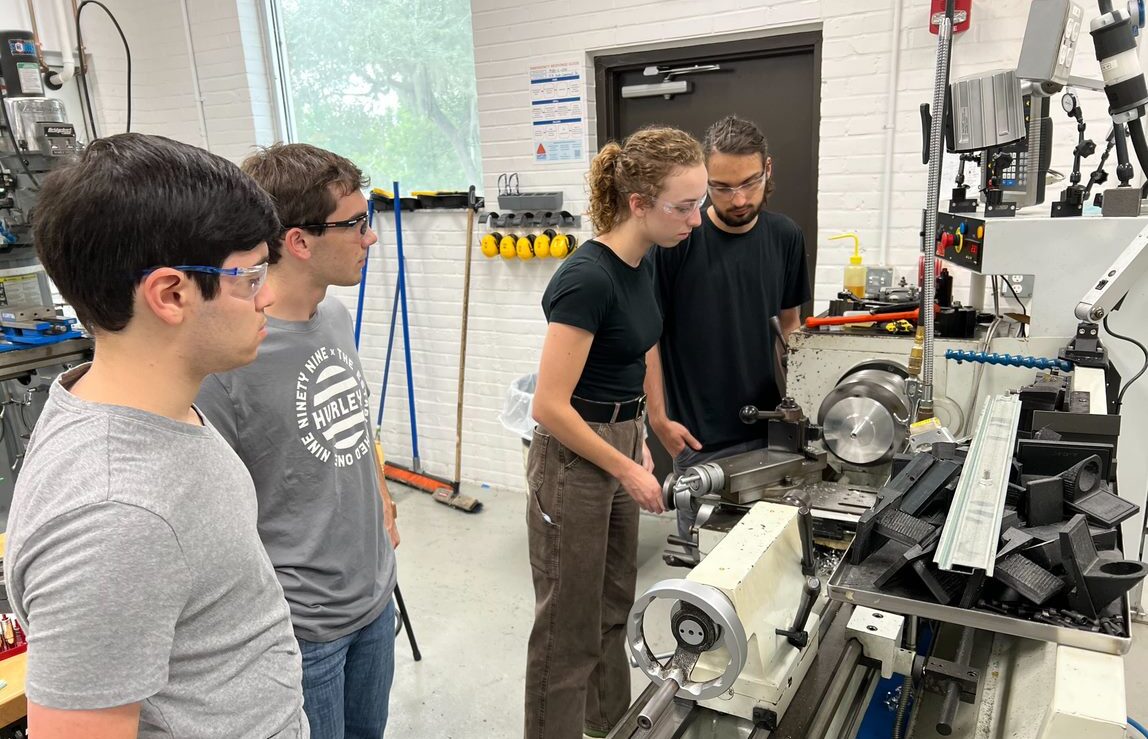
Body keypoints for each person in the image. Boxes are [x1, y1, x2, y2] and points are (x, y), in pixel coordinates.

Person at [4, 133, 308, 738]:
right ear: (171, 293)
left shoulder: (158, 411)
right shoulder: (116, 515)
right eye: (250, 277)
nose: (268, 296)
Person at [196, 143, 398, 739]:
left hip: (373, 594)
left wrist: (381, 494)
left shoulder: (333, 316)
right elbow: (217, 513)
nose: (371, 238)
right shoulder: (228, 360)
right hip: (303, 626)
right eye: (355, 224)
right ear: (300, 242)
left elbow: (354, 428)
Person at [525, 126, 707, 739]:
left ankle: (609, 726)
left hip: (623, 435)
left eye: (698, 202)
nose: (697, 219)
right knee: (566, 625)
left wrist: (654, 419)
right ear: (637, 204)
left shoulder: (642, 259)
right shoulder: (588, 278)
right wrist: (628, 466)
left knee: (611, 605)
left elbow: (646, 340)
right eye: (683, 207)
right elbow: (548, 407)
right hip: (576, 458)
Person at [645, 115, 812, 561]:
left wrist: (804, 404)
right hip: (700, 439)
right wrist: (658, 418)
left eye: (749, 184)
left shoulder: (785, 237)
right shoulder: (677, 242)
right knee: (709, 571)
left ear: (768, 170)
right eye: (721, 188)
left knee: (767, 564)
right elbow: (648, 338)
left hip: (771, 434)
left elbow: (790, 326)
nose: (738, 199)